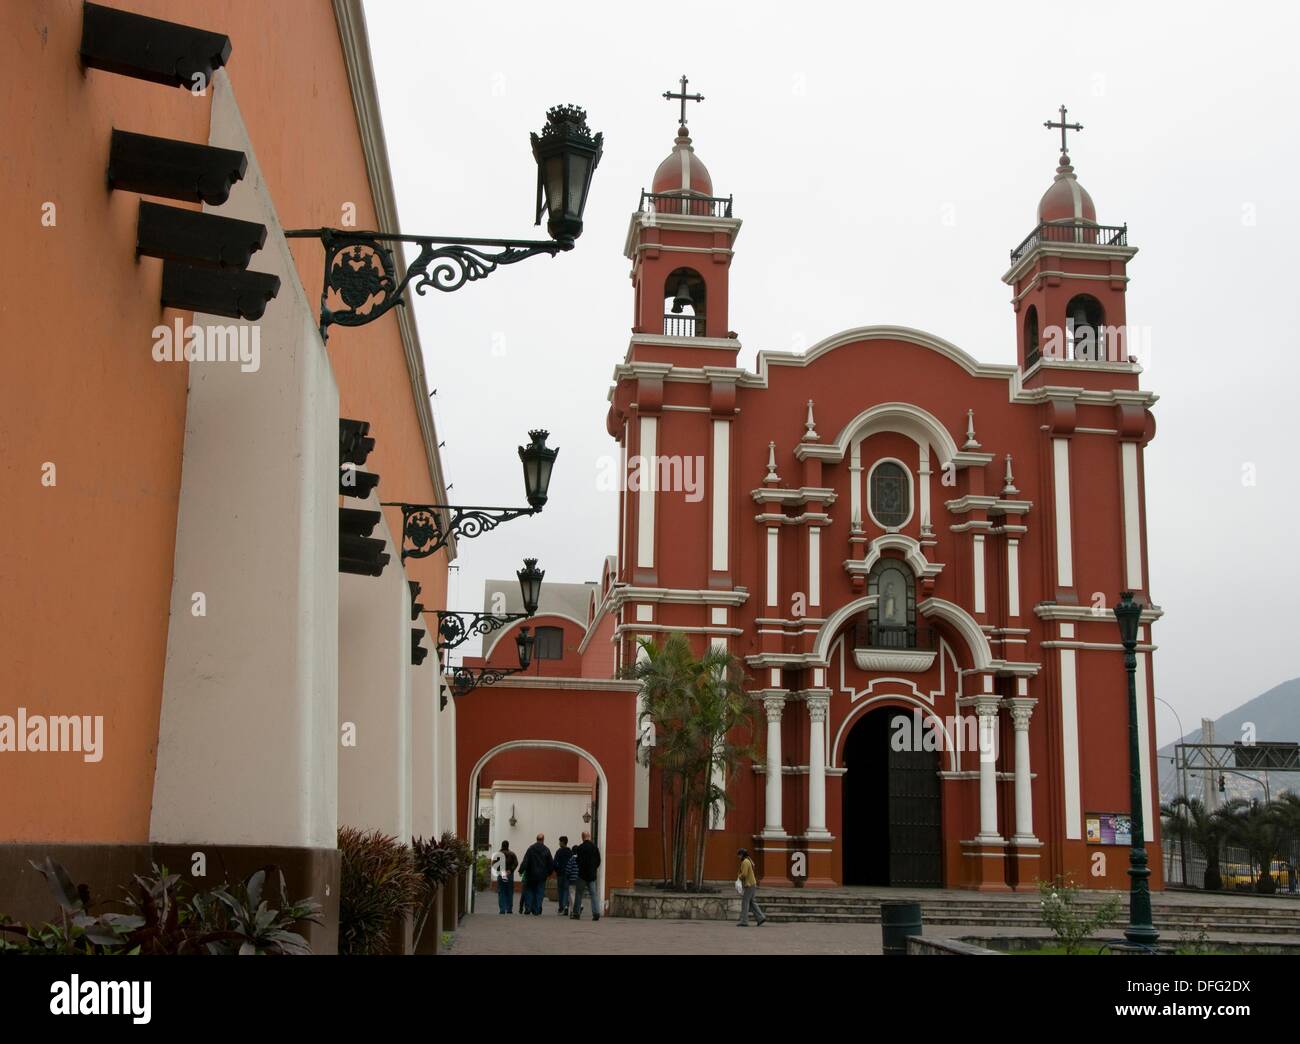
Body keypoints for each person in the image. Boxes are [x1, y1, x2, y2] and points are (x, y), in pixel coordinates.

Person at [570, 831, 602, 921]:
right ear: (589, 837)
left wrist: (581, 867)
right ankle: (596, 913)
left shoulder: (580, 848)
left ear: (582, 837)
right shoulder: (594, 847)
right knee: (593, 894)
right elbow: (598, 860)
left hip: (582, 875)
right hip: (592, 875)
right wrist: (593, 868)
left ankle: (576, 913)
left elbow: (578, 860)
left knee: (579, 894)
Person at [520, 833, 553, 915]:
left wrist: (521, 870)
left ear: (536, 839)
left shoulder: (531, 849)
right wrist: (549, 873)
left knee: (529, 891)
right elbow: (550, 863)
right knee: (540, 892)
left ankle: (528, 908)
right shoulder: (546, 850)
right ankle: (537, 910)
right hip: (542, 875)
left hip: (531, 874)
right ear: (543, 840)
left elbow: (526, 861)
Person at [736, 848, 766, 927]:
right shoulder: (748, 861)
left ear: (742, 854)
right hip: (752, 884)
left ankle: (744, 921)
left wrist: (739, 877)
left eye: (739, 855)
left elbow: (744, 874)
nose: (738, 857)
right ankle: (761, 917)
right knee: (752, 902)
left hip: (749, 884)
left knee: (745, 903)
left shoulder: (745, 862)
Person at [492, 840, 517, 915]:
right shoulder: (512, 854)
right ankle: (509, 909)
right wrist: (510, 870)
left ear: (502, 845)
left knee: (501, 891)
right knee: (509, 891)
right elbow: (516, 863)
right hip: (509, 874)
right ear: (508, 846)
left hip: (501, 874)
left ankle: (502, 909)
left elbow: (493, 865)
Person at [553, 836, 572, 915]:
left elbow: (555, 863)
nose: (559, 843)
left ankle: (561, 907)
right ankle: (566, 907)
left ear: (563, 842)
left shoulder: (559, 852)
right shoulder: (570, 851)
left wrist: (557, 870)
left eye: (560, 841)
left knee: (560, 891)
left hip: (560, 874)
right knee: (566, 891)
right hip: (568, 874)